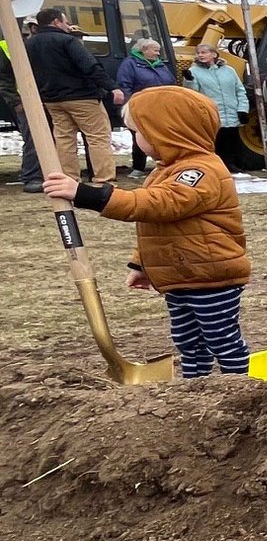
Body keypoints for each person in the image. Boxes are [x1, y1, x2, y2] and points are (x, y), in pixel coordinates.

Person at [42, 86, 252, 378]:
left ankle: (240, 385)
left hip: (211, 277)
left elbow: (158, 205)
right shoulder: (164, 171)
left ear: (168, 132)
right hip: (182, 275)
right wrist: (141, 265)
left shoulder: (201, 172)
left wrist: (88, 195)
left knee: (221, 339)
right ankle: (195, 386)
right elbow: (156, 227)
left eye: (139, 131)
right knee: (188, 341)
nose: (136, 139)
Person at [27, 7, 123, 188]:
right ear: (56, 22)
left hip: (51, 99)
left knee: (64, 140)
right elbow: (89, 66)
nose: (67, 26)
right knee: (98, 137)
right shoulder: (68, 40)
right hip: (82, 97)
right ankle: (104, 180)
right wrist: (112, 87)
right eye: (65, 22)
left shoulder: (29, 44)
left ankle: (69, 180)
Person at [185, 44, 252, 171]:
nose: (200, 55)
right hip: (213, 113)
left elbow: (240, 91)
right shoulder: (194, 71)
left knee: (233, 139)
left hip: (232, 112)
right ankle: (219, 166)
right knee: (217, 141)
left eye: (204, 52)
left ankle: (234, 164)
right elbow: (192, 94)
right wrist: (189, 80)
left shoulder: (229, 70)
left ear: (214, 54)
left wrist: (243, 109)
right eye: (198, 53)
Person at [116, 38, 177, 177]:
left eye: (159, 51)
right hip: (141, 107)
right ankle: (138, 167)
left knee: (164, 135)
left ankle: (165, 165)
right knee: (140, 135)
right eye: (155, 50)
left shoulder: (160, 65)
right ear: (144, 50)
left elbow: (171, 82)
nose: (158, 54)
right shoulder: (130, 64)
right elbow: (124, 85)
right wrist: (131, 104)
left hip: (162, 107)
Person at [0, 27, 44, 191]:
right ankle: (32, 177)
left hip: (44, 99)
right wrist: (16, 103)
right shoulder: (7, 47)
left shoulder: (35, 45)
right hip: (25, 102)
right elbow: (4, 79)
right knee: (34, 138)